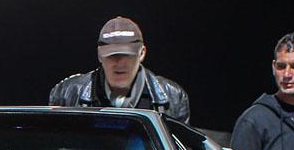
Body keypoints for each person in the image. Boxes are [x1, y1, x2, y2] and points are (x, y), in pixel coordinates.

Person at [49, 16, 190, 122]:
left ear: (142, 53)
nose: (119, 63)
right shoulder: (65, 93)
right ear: (99, 55)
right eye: (112, 56)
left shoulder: (174, 96)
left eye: (127, 55)